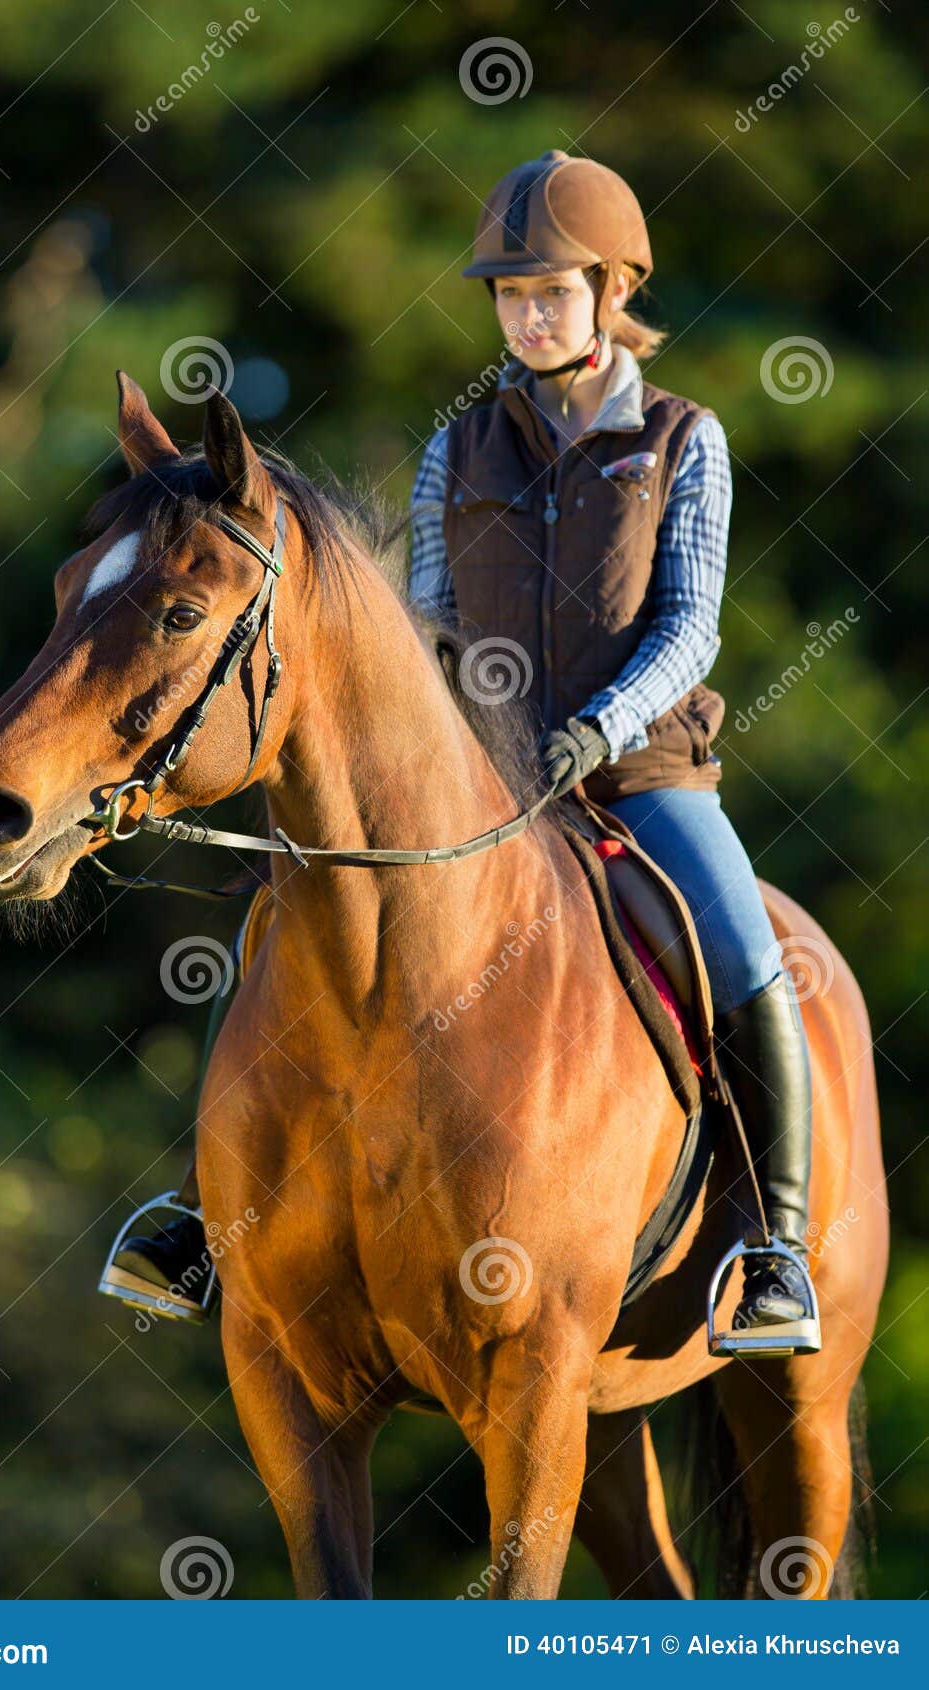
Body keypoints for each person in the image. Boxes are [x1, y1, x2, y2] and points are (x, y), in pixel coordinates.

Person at [105, 149, 818, 1350]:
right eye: (511, 295)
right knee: (282, 912)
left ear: (611, 289)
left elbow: (689, 627)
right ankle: (199, 1213)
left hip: (636, 772)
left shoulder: (681, 440)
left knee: (748, 956)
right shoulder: (461, 447)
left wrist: (597, 728)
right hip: (483, 784)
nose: (529, 316)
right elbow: (429, 617)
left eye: (552, 292)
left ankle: (773, 1246)